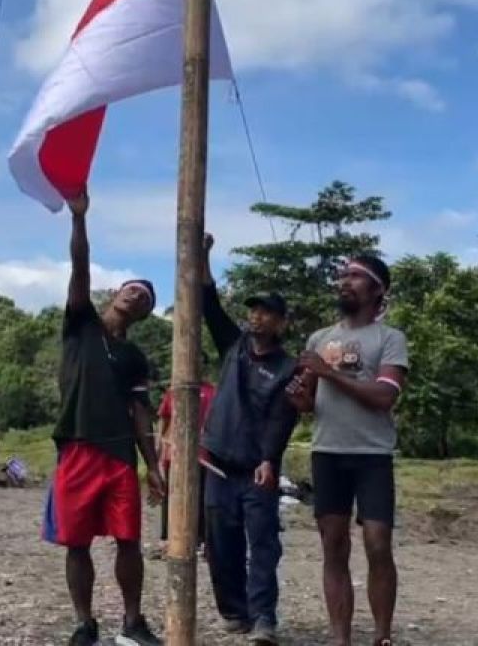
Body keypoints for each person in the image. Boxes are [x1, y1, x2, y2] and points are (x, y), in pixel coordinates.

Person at [41, 189, 165, 646]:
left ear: (145, 315)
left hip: (118, 456)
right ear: (115, 294)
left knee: (128, 539)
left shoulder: (134, 357)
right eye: (132, 289)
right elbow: (79, 268)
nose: (136, 296)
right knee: (77, 542)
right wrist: (79, 219)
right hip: (77, 446)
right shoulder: (81, 324)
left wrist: (153, 466)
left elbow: (140, 413)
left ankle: (132, 621)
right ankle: (84, 622)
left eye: (145, 298)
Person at [287, 255, 409, 646]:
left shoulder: (389, 338)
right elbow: (309, 402)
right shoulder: (318, 339)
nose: (345, 281)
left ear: (377, 289)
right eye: (343, 276)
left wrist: (329, 373)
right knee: (333, 545)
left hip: (373, 455)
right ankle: (340, 639)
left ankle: (382, 636)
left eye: (355, 276)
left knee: (378, 543)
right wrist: (300, 397)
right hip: (328, 453)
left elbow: (384, 396)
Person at [198, 232, 299, 645]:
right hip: (218, 462)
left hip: (258, 468)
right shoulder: (232, 346)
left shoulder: (288, 367)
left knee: (262, 544)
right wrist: (203, 255)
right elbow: (208, 302)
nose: (257, 317)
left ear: (281, 323)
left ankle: (262, 618)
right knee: (220, 543)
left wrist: (269, 459)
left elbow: (282, 418)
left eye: (266, 312)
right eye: (254, 310)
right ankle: (234, 611)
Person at [156, 370, 215, 548]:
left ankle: (199, 538)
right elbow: (164, 419)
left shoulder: (212, 392)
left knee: (200, 496)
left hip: (202, 454)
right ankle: (168, 537)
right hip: (174, 453)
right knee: (172, 495)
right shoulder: (174, 390)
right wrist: (159, 447)